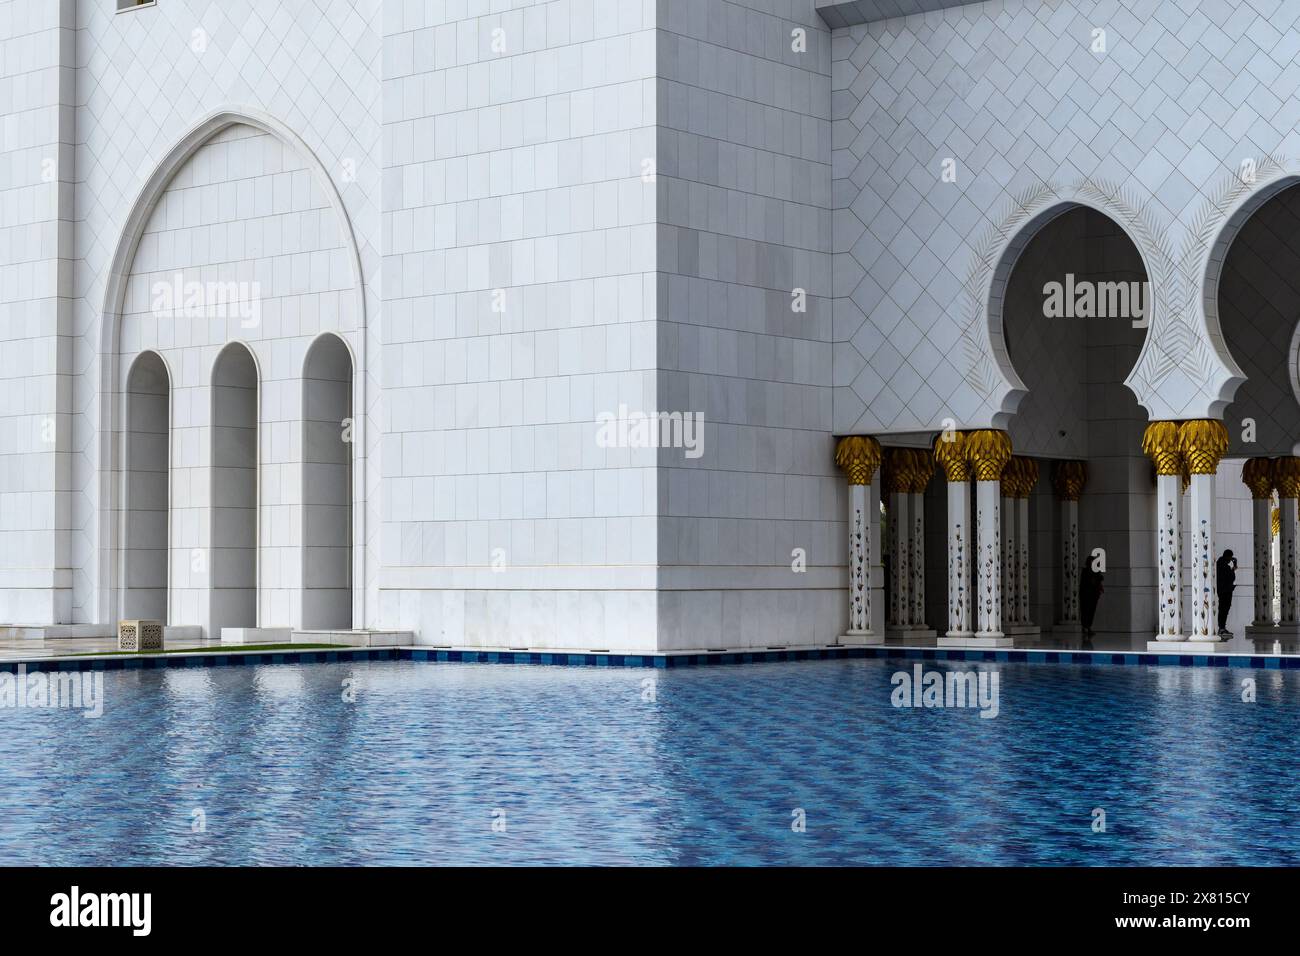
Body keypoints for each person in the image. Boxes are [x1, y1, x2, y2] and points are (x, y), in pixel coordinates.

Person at [1080, 562, 1104, 638]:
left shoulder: (1093, 572)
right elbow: (1091, 582)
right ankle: (1086, 627)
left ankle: (1087, 627)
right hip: (1088, 595)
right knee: (1087, 612)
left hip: (1092, 595)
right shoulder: (1087, 572)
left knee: (1090, 612)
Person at [1216, 549, 1237, 637]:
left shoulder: (1220, 564)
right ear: (1228, 556)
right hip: (1225, 591)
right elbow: (1231, 578)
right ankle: (1221, 628)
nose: (1230, 559)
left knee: (1223, 609)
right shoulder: (1224, 566)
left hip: (1224, 590)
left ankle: (1222, 628)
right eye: (1230, 557)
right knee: (1224, 609)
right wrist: (1233, 568)